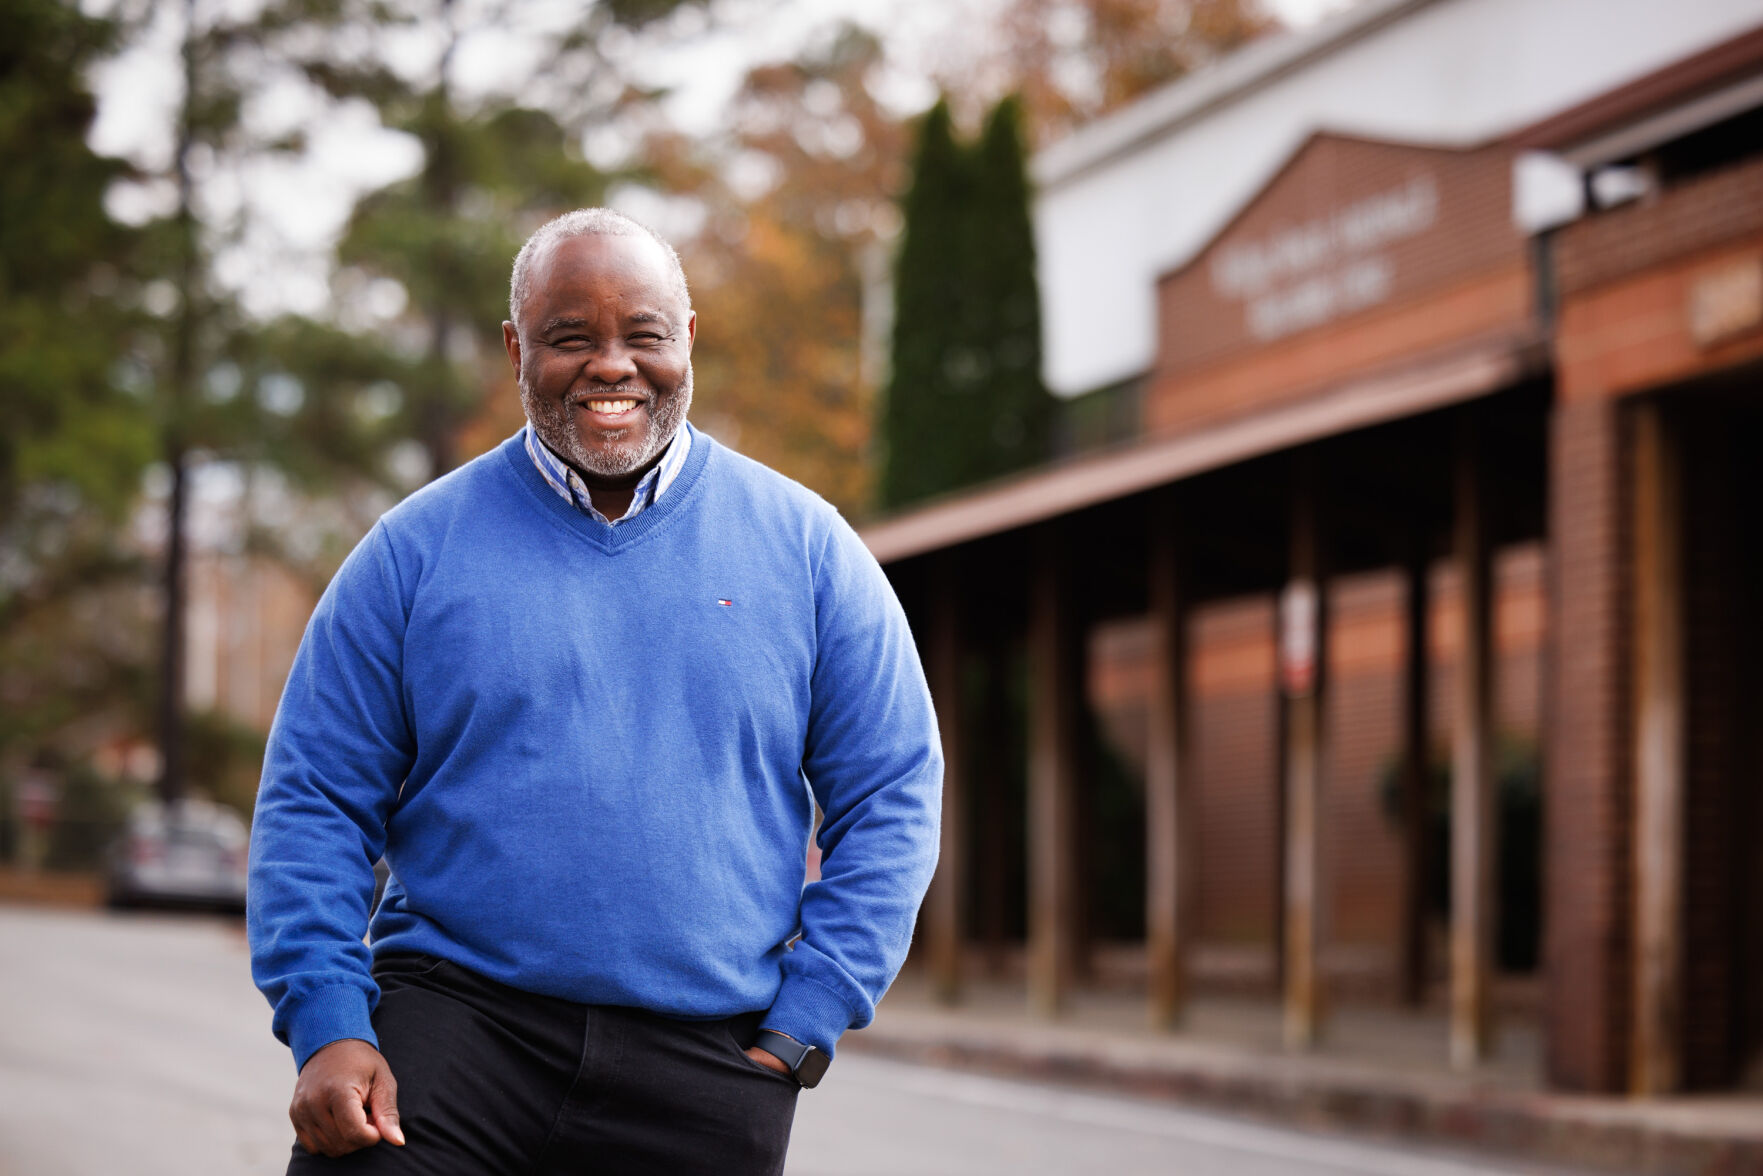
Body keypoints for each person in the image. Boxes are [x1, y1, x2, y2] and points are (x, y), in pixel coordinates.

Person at [247, 207, 943, 1174]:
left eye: (643, 335)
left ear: (687, 339)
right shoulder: (411, 552)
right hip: (452, 1032)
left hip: (707, 1061)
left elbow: (893, 792)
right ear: (514, 348)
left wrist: (812, 1012)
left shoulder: (811, 549)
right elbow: (314, 798)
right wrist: (327, 1023)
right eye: (570, 337)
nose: (610, 365)